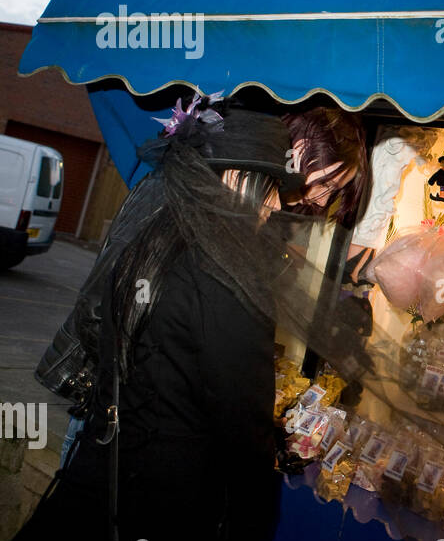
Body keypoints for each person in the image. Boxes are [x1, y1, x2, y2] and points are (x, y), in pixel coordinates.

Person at [0, 101, 306, 541]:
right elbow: (243, 427)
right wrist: (255, 520)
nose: (276, 206)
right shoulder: (232, 279)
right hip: (170, 509)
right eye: (272, 187)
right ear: (237, 179)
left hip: (104, 477)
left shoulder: (154, 238)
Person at [34, 103, 368, 469]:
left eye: (334, 192)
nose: (322, 199)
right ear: (299, 147)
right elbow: (102, 302)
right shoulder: (187, 186)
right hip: (111, 403)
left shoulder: (253, 207)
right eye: (327, 183)